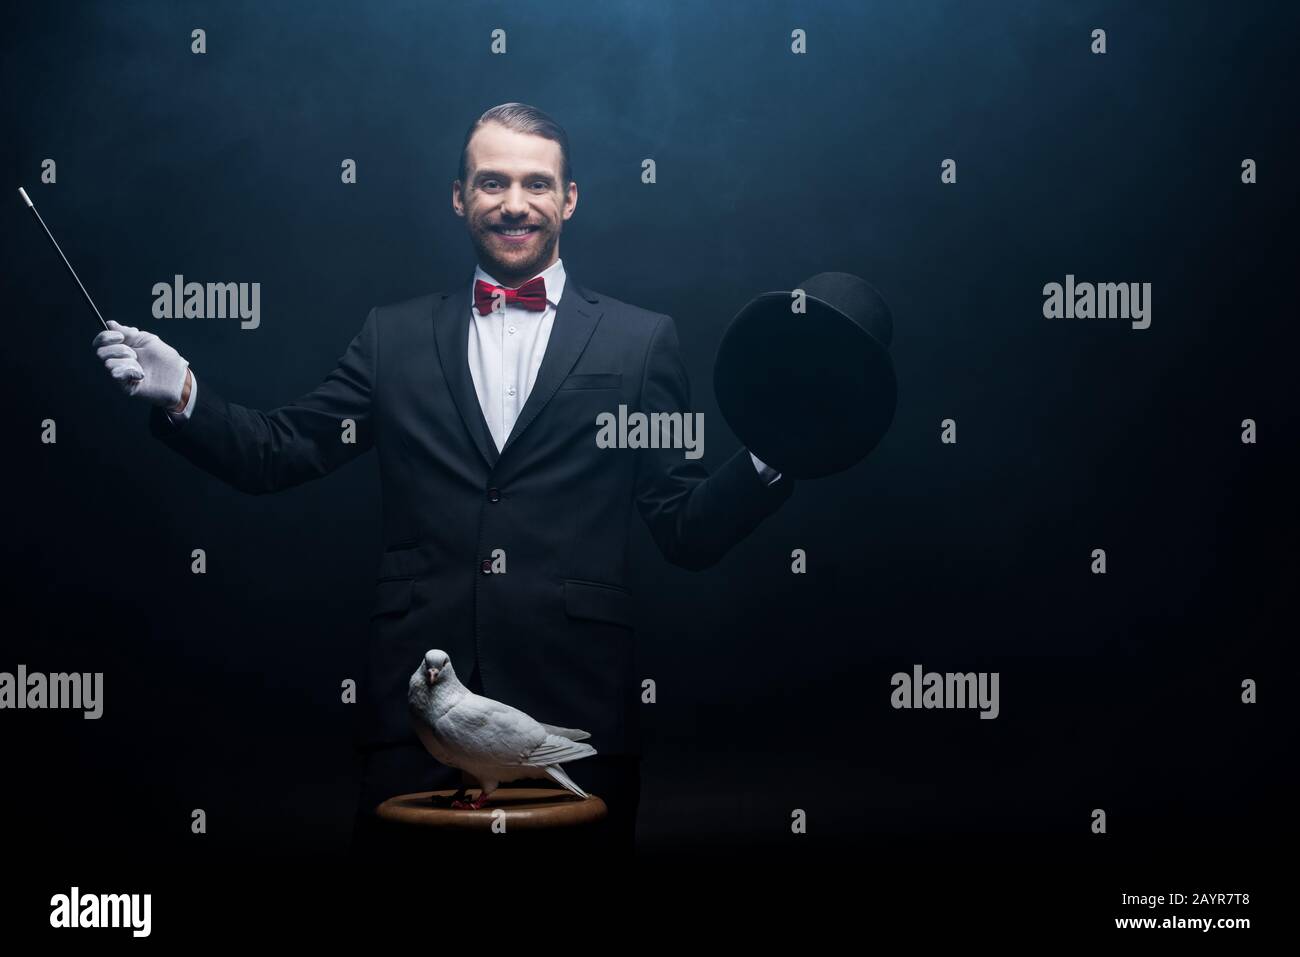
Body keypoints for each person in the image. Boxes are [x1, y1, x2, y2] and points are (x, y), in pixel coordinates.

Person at [92, 102, 795, 860]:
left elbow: (682, 525)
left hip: (575, 710)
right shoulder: (390, 338)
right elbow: (280, 452)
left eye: (536, 183)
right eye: (492, 182)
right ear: (459, 196)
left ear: (569, 198)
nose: (515, 202)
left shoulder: (641, 340)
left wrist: (775, 453)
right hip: (417, 721)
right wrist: (185, 397)